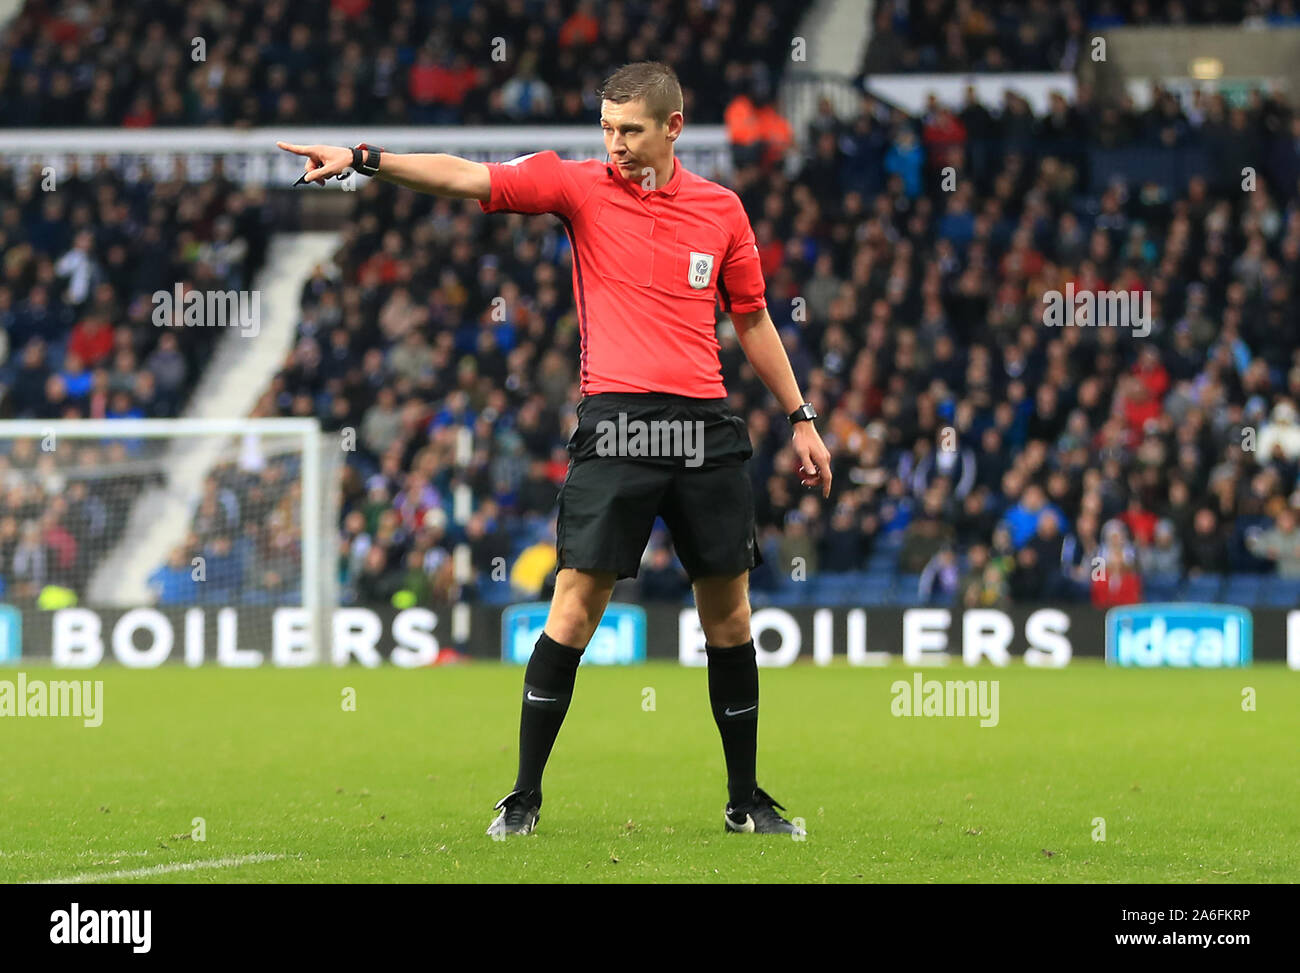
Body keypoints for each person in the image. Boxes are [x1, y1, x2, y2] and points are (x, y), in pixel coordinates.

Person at [277, 62, 831, 838]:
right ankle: (524, 796)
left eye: (630, 130)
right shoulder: (578, 187)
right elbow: (469, 178)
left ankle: (745, 799)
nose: (615, 144)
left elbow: (753, 319)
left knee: (729, 620)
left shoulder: (722, 210)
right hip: (617, 426)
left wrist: (801, 415)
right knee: (574, 606)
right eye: (605, 128)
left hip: (706, 427)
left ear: (673, 126)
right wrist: (366, 158)